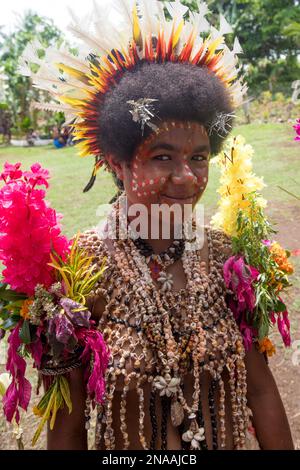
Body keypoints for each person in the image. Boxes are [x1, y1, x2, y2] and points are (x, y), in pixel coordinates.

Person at [23, 0, 294, 451]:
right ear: (118, 161)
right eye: (163, 156)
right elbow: (67, 427)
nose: (187, 177)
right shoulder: (82, 269)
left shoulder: (226, 257)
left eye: (199, 157)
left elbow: (262, 389)